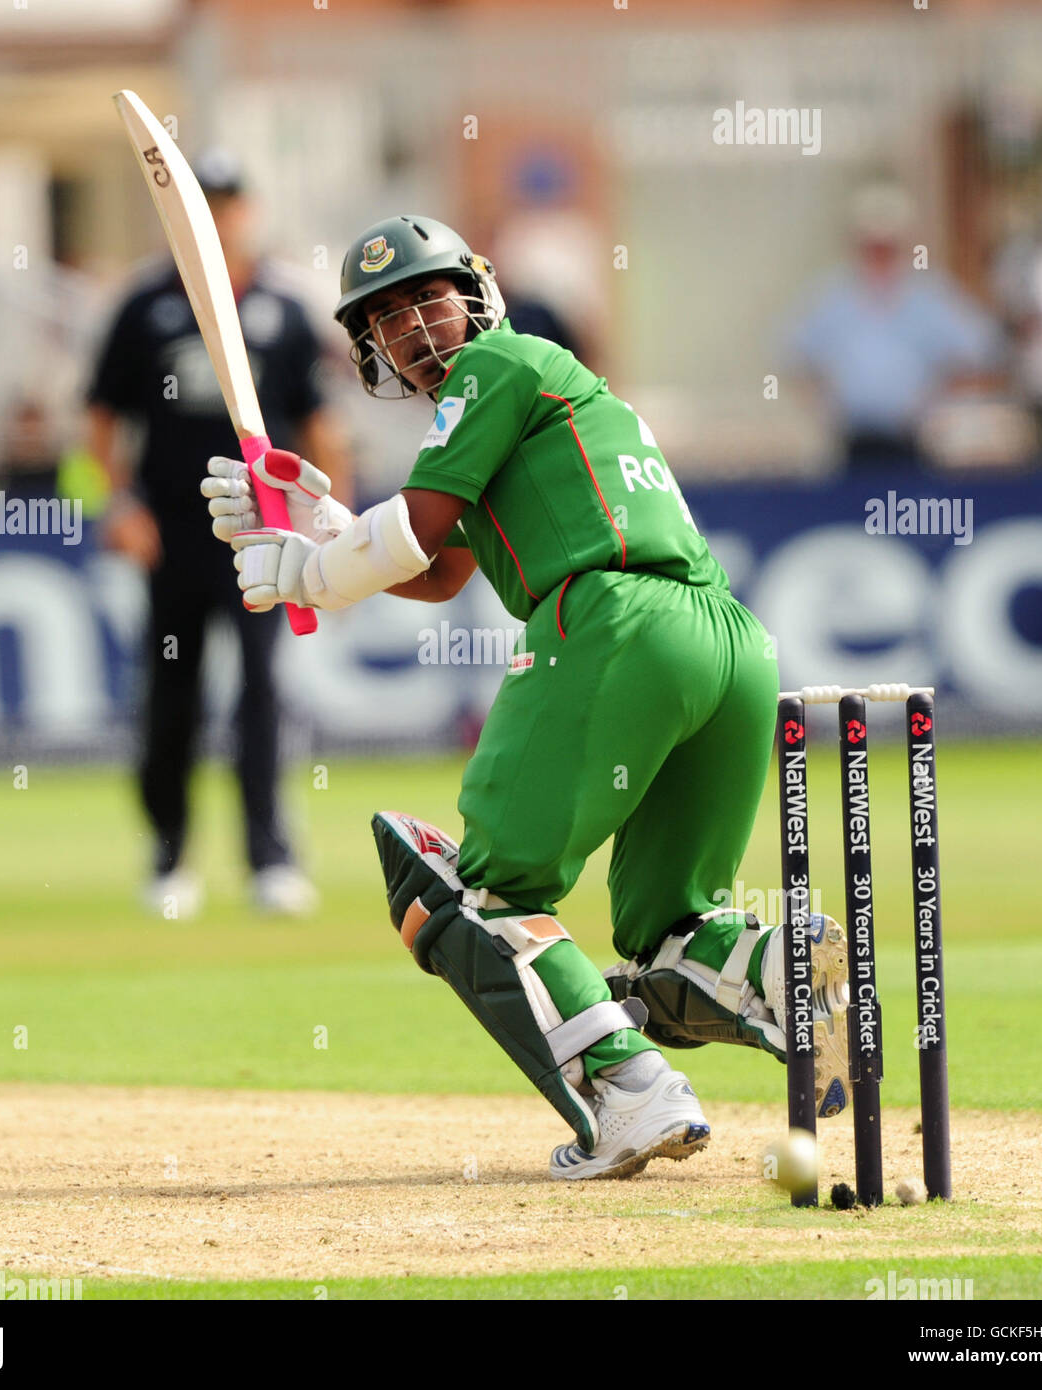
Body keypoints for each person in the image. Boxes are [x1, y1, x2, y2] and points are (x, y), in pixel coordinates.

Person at [202, 215, 849, 1180]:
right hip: (726, 645)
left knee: (476, 894)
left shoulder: (497, 365)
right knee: (667, 932)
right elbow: (437, 569)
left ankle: (630, 1095)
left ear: (476, 291)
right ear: (369, 347)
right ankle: (782, 975)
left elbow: (412, 535)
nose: (413, 327)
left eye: (426, 297)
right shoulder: (520, 388)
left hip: (615, 624)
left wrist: (305, 571)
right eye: (385, 316)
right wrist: (324, 522)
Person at [87, 152, 346, 919]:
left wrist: (334, 523)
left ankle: (269, 857)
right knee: (173, 696)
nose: (223, 217)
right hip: (172, 533)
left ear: (249, 210)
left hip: (263, 538)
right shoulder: (146, 307)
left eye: (233, 202)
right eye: (210, 203)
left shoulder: (283, 309)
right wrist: (119, 505)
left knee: (262, 693)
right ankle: (169, 855)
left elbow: (320, 423)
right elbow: (102, 417)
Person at [787, 184, 1003, 472]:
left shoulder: (930, 297)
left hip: (914, 441)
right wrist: (823, 403)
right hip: (850, 442)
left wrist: (939, 400)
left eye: (886, 246)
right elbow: (794, 356)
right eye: (871, 245)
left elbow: (982, 351)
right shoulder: (830, 297)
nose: (878, 255)